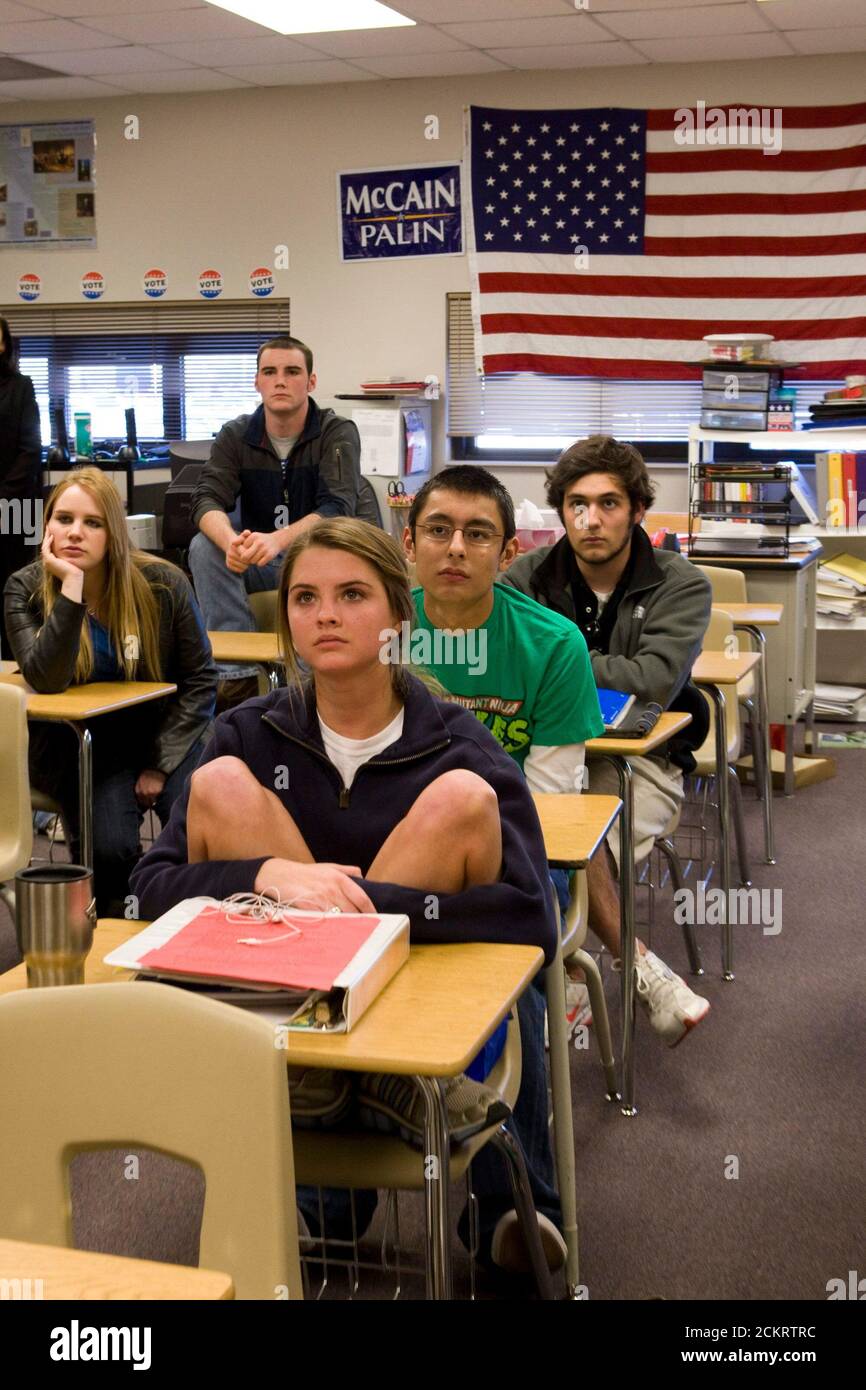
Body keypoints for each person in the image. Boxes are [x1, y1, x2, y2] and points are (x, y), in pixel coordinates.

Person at [131, 517, 566, 1276]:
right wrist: (266, 877)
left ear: (399, 621)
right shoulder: (245, 735)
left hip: (419, 995)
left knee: (460, 800)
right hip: (284, 998)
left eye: (352, 595)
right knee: (221, 786)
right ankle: (342, 1131)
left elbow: (532, 917)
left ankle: (495, 1199)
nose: (325, 614)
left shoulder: (459, 744)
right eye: (304, 597)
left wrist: (372, 909)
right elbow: (148, 890)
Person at [503, 435, 713, 1046]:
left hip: (639, 763)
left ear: (638, 509)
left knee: (564, 838)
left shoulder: (681, 583)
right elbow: (503, 662)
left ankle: (570, 971)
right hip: (539, 750)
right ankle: (630, 964)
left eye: (609, 504)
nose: (590, 520)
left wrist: (558, 658)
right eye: (575, 504)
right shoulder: (526, 575)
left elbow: (650, 681)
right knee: (536, 829)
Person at [404, 464, 604, 1034]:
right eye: (439, 531)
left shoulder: (554, 645)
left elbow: (549, 799)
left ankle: (513, 1115)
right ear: (410, 543)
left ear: (509, 551)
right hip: (395, 836)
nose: (456, 549)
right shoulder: (381, 627)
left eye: (479, 534)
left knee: (508, 960)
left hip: (516, 842)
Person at [3, 467, 216, 916]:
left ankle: (194, 919)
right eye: (63, 519)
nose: (75, 533)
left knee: (196, 824)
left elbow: (200, 680)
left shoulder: (164, 585)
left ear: (113, 532)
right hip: (87, 748)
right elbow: (46, 678)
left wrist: (158, 766)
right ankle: (129, 925)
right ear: (47, 527)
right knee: (110, 850)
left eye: (92, 523)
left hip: (169, 732)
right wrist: (71, 591)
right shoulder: (24, 589)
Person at [188, 334, 372, 708]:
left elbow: (339, 507)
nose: (280, 381)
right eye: (269, 372)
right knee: (202, 545)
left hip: (314, 560)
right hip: (258, 560)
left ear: (311, 381)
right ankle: (235, 679)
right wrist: (230, 542)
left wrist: (278, 539)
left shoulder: (336, 432)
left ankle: (308, 682)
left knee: (328, 548)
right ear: (257, 381)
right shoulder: (235, 435)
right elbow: (205, 500)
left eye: (292, 371)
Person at [0, 315, 42, 659]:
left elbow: (31, 450)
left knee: (21, 585)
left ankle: (22, 662)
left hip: (19, 503)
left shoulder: (22, 386)